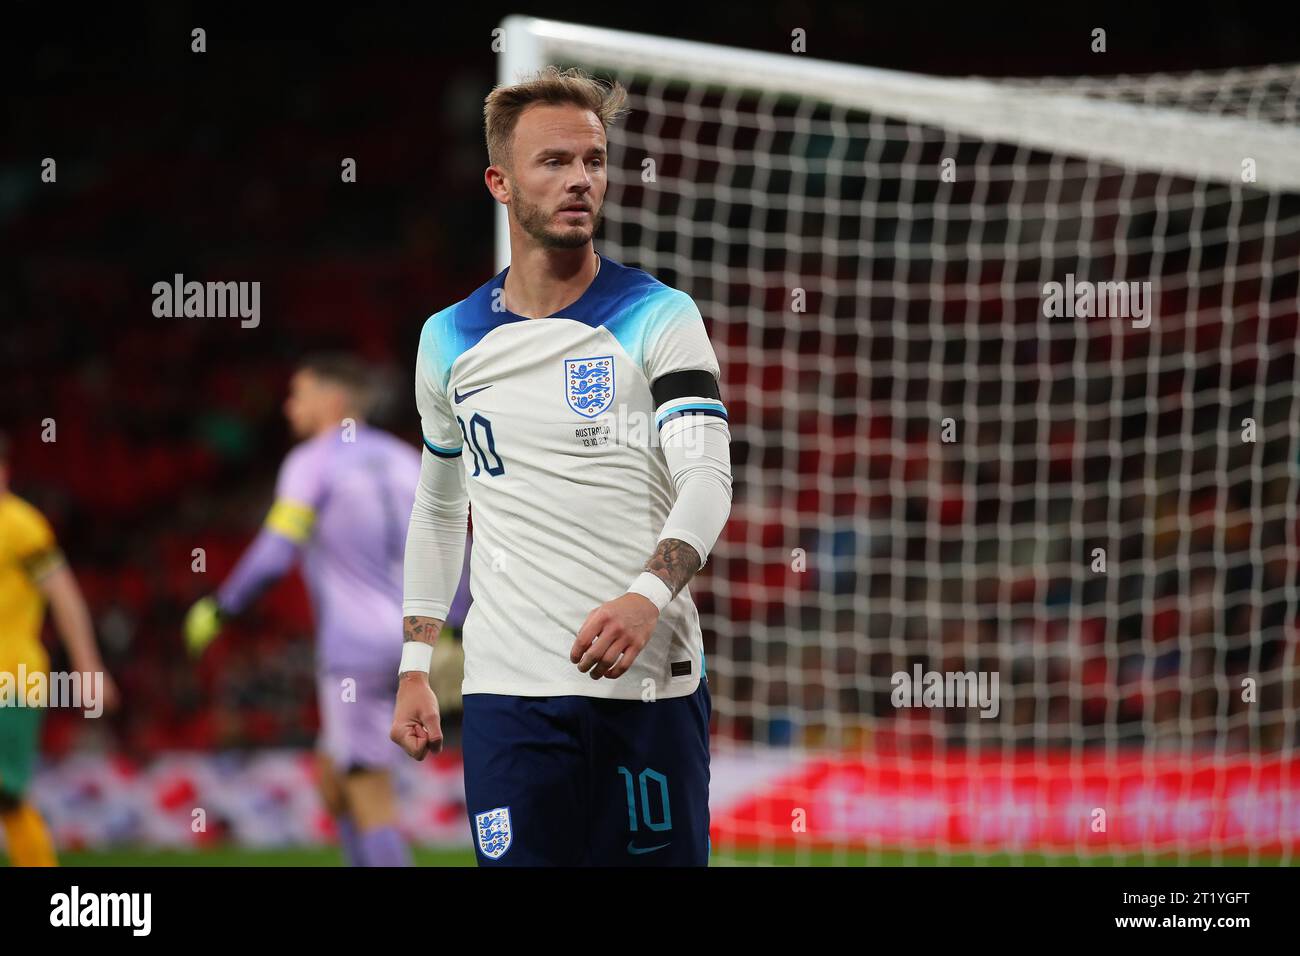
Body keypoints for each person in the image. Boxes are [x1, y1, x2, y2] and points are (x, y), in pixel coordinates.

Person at [392, 66, 733, 866]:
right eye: (555, 161)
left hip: (648, 686)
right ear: (499, 182)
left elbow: (708, 479)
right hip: (507, 696)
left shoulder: (660, 315)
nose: (582, 178)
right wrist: (415, 663)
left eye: (594, 159)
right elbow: (440, 510)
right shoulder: (446, 339)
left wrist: (648, 597)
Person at [184, 355, 422, 866]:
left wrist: (221, 606)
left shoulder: (312, 462)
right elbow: (452, 548)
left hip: (355, 647)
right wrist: (454, 629)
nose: (289, 405)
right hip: (413, 639)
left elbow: (275, 552)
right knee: (333, 772)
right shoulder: (409, 459)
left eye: (298, 394)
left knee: (366, 785)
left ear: (333, 402)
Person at [0, 432, 118, 866]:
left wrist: (88, 667)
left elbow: (63, 595)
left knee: (7, 795)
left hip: (10, 679)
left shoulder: (20, 526)